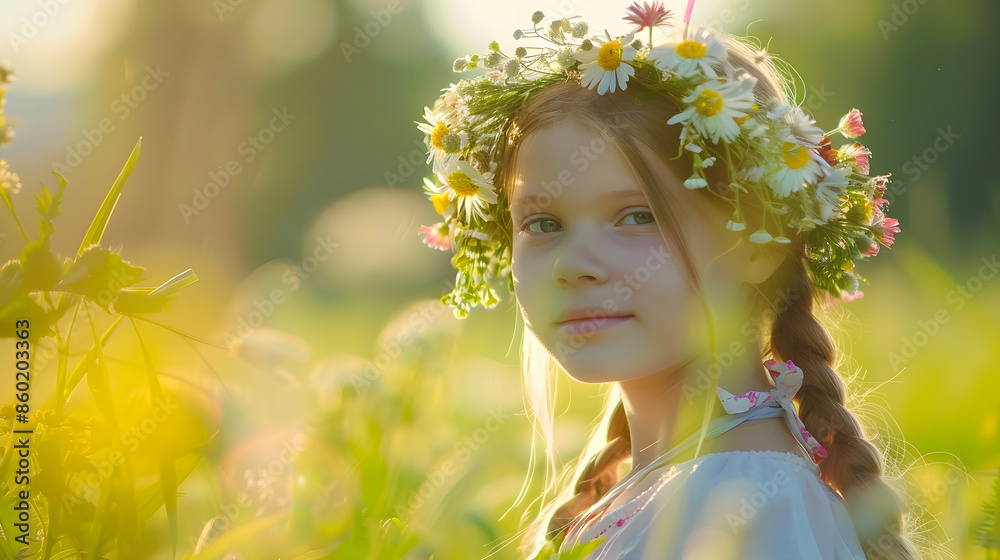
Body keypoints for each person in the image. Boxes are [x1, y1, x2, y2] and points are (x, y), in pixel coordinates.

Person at [415, 3, 919, 558]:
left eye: (637, 216)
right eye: (543, 223)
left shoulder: (745, 509)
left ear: (759, 240)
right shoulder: (685, 490)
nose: (573, 263)